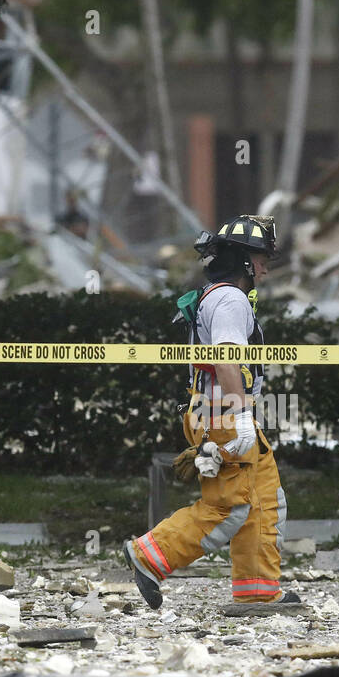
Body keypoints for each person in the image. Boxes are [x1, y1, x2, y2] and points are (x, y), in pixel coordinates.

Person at [124, 215, 299, 611]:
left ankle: (257, 590)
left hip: (221, 410)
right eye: (260, 258)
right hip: (223, 413)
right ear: (241, 259)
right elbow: (225, 359)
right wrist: (238, 417)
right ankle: (150, 555)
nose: (266, 268)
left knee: (264, 499)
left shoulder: (217, 295)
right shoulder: (230, 299)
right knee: (231, 506)